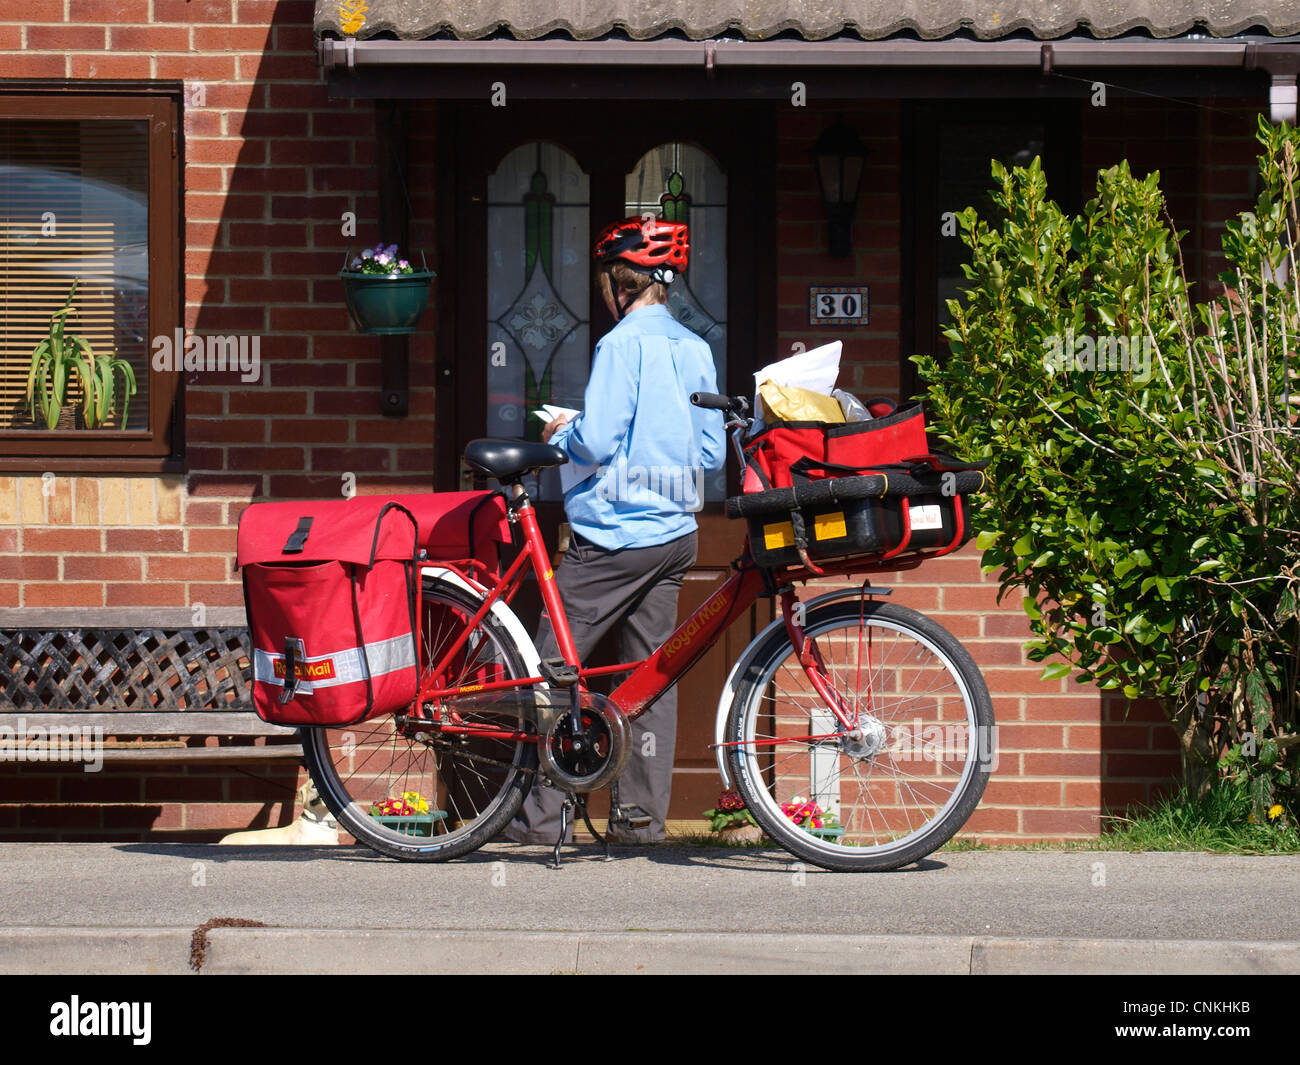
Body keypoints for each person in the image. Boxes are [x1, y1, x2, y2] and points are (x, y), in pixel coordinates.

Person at [505, 217, 726, 845]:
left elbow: (598, 440)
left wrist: (561, 432)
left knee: (552, 668)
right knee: (647, 680)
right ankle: (637, 824)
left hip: (613, 535)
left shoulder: (620, 345)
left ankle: (542, 826)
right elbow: (710, 455)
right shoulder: (696, 348)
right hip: (675, 534)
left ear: (614, 284)